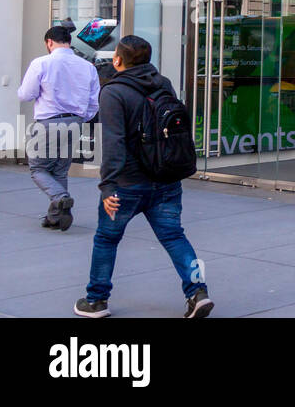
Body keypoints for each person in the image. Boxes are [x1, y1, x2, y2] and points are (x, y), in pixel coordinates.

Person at [75, 35, 213, 319]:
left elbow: (113, 143)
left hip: (126, 184)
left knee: (106, 239)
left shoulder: (113, 92)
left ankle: (96, 300)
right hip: (166, 178)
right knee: (175, 236)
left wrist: (108, 186)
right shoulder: (164, 84)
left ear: (117, 60)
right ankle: (198, 292)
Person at [18, 25, 100, 230]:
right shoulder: (87, 66)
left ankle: (61, 197)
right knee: (60, 170)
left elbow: (25, 94)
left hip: (48, 122)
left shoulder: (42, 63)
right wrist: (81, 118)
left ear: (49, 42)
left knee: (38, 168)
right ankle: (57, 216)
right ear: (69, 42)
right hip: (75, 122)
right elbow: (93, 101)